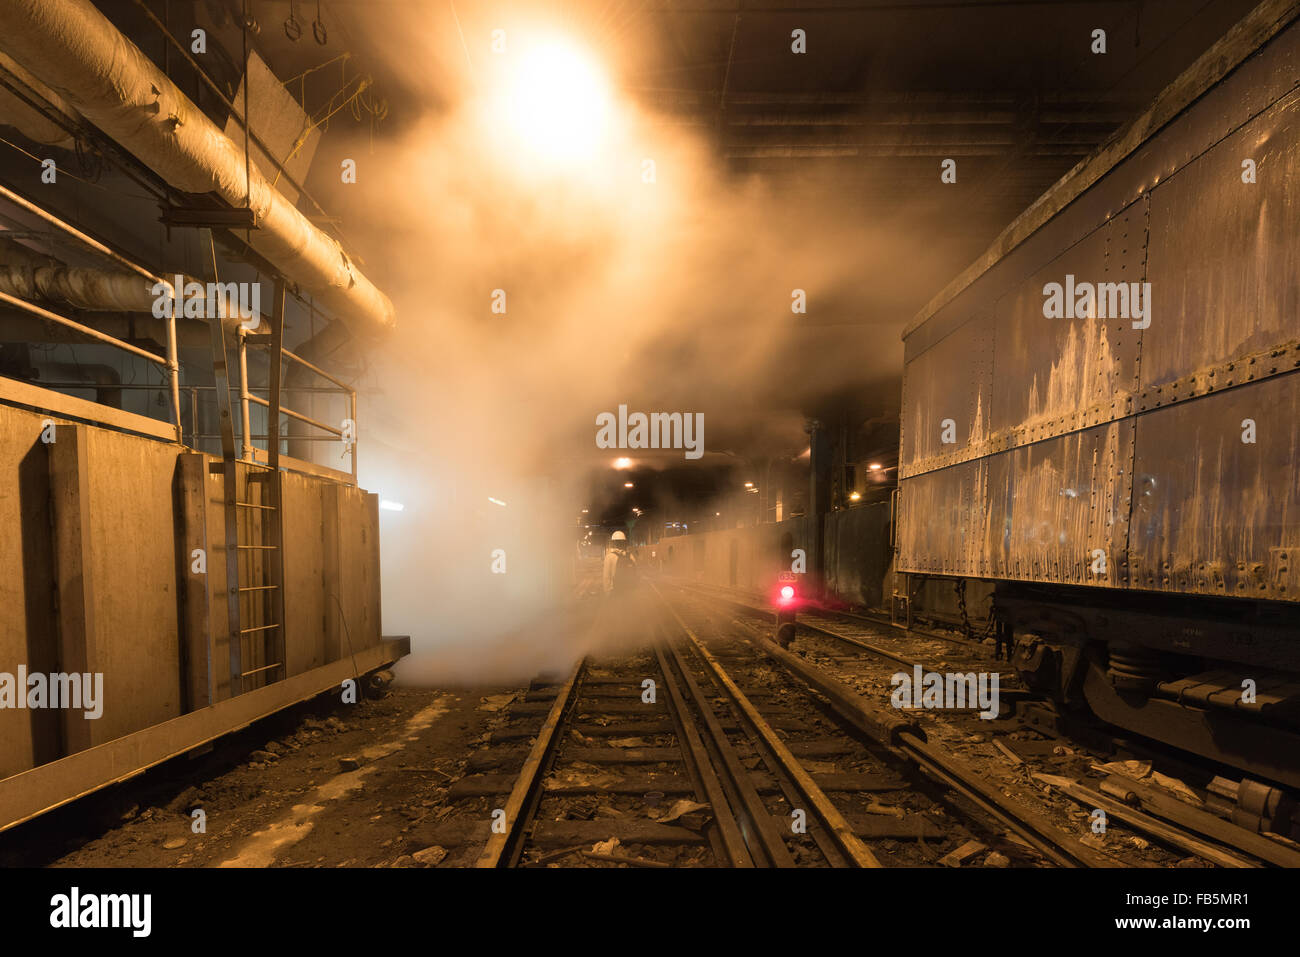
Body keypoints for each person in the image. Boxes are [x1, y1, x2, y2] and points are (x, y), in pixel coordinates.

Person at [602, 529, 638, 595]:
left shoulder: (609, 557)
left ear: (614, 542)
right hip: (629, 591)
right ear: (624, 542)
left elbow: (606, 577)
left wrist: (607, 593)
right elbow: (636, 573)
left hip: (616, 591)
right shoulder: (630, 556)